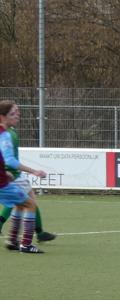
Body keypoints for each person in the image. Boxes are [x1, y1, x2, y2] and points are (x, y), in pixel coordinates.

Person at [0, 101, 57, 244]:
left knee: (21, 202)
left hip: (9, 175)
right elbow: (9, 160)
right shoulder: (8, 134)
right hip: (14, 175)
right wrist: (34, 171)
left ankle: (18, 238)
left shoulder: (8, 133)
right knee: (28, 203)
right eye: (14, 112)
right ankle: (28, 241)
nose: (18, 114)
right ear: (3, 116)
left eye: (18, 111)